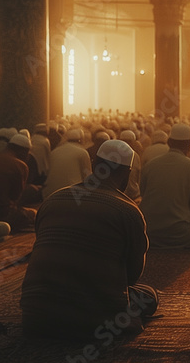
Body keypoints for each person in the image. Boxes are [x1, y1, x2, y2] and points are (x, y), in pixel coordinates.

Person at [20, 140, 158, 340]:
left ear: (94, 165)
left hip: (36, 316)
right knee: (148, 295)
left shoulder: (52, 201)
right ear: (127, 175)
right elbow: (132, 276)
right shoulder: (128, 211)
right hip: (96, 320)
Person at [0, 133, 36, 231]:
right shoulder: (20, 165)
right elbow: (15, 197)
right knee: (33, 213)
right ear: (23, 151)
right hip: (2, 214)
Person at [44, 128, 91, 199]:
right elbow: (87, 176)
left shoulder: (54, 151)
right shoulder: (82, 152)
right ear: (81, 139)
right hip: (72, 194)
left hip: (50, 192)